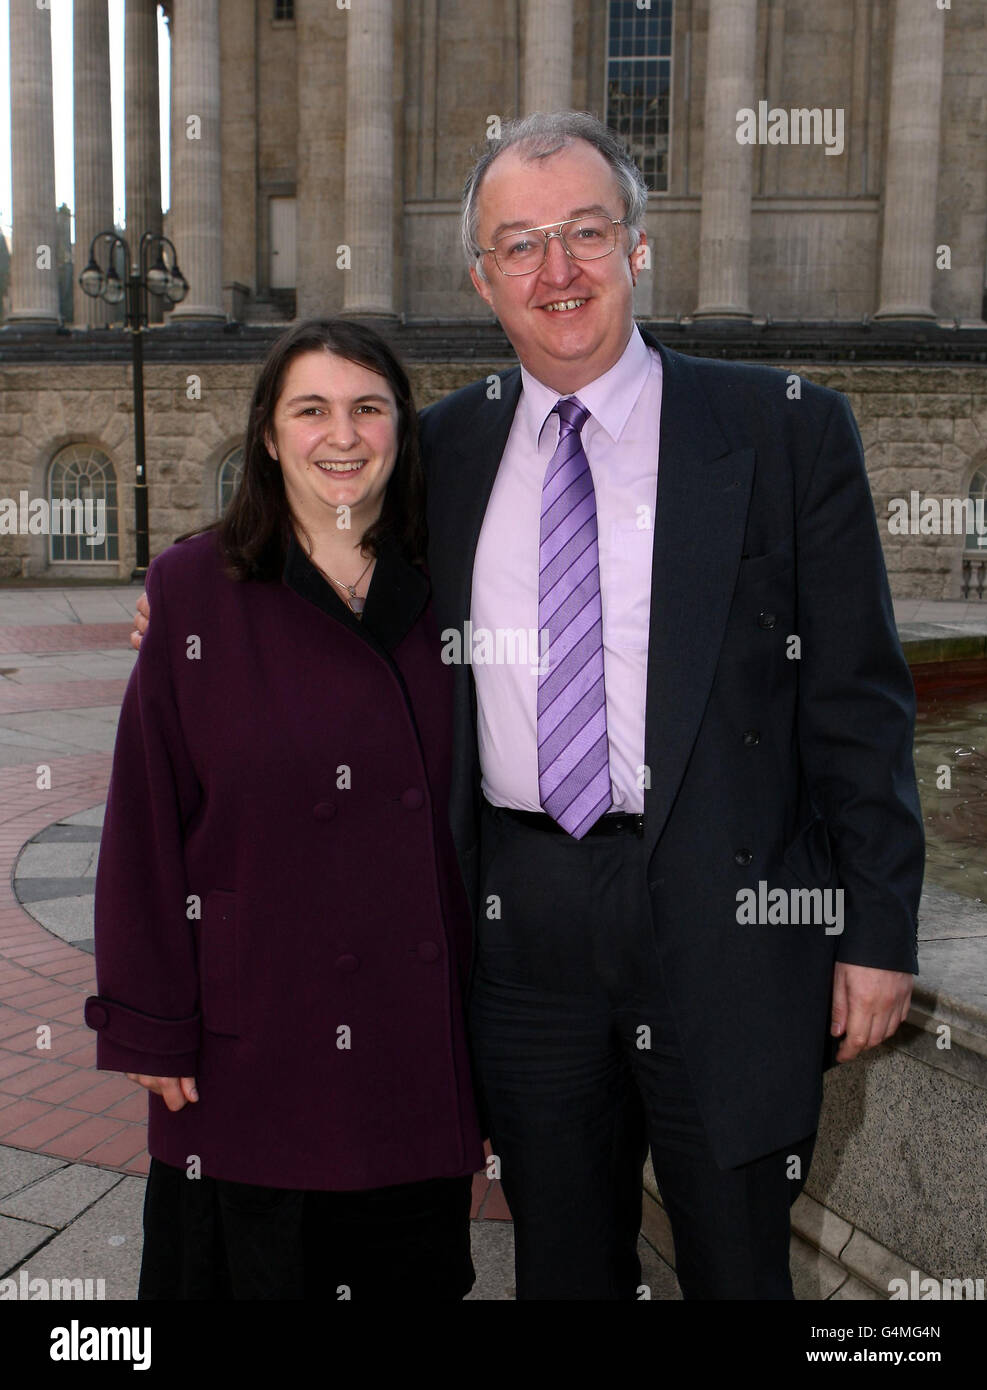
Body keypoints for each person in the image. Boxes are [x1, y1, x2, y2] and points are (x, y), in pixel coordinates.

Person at [133, 112, 925, 1302]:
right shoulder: (442, 448)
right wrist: (192, 586)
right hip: (520, 932)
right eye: (520, 244)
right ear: (482, 276)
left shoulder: (784, 426)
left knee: (738, 1265)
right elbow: (314, 533)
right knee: (560, 1265)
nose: (556, 271)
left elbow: (859, 698)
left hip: (727, 918)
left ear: (639, 247)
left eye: (584, 234)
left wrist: (874, 929)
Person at [89, 318, 484, 1300]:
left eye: (367, 409)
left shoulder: (461, 587)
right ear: (268, 435)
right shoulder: (194, 588)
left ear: (402, 429)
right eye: (310, 409)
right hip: (250, 1029)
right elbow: (145, 821)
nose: (340, 435)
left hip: (408, 1030)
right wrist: (148, 1023)